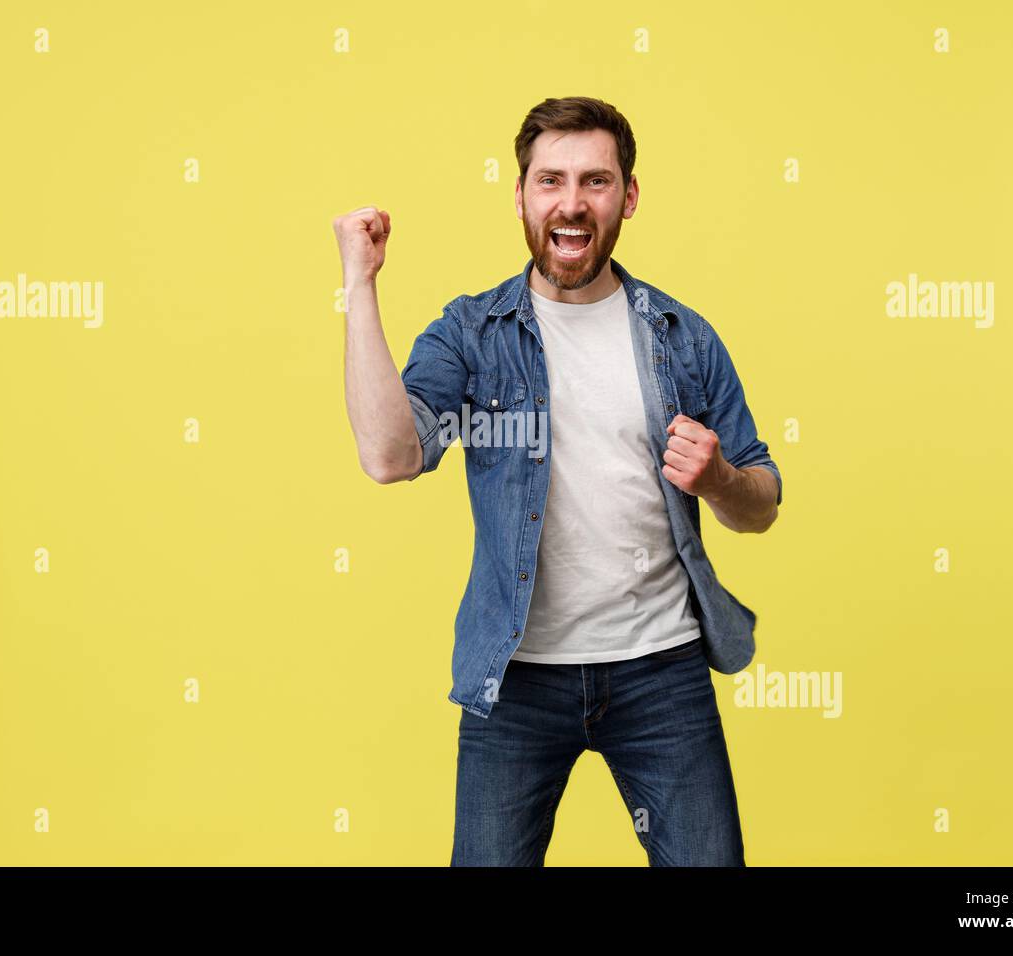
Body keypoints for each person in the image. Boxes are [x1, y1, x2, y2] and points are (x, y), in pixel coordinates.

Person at [333, 96, 782, 866]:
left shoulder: (683, 336)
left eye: (596, 181)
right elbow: (390, 455)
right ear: (520, 196)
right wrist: (360, 283)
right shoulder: (472, 334)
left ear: (628, 197)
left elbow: (763, 504)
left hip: (662, 674)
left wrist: (718, 480)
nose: (571, 203)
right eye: (550, 181)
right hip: (515, 682)